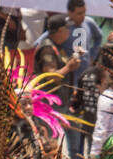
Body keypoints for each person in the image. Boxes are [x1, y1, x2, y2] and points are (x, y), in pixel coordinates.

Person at [35, 15, 82, 145]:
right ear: (60, 30)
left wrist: (72, 62)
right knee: (50, 141)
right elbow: (50, 76)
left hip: (60, 102)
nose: (69, 32)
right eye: (67, 29)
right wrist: (68, 67)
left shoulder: (56, 46)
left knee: (73, 137)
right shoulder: (47, 48)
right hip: (50, 104)